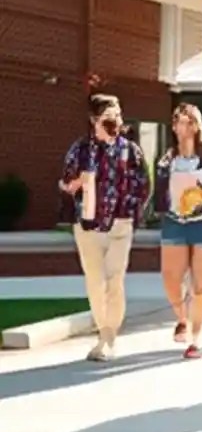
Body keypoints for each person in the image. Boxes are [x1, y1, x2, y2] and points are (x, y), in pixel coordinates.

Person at [58, 94, 151, 362]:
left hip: (120, 225)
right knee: (95, 283)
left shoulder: (130, 150)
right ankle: (102, 331)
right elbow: (65, 183)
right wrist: (74, 185)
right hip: (88, 225)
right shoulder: (80, 149)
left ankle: (109, 337)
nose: (115, 121)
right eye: (108, 116)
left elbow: (143, 185)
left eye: (118, 115)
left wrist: (130, 211)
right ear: (94, 120)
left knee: (114, 280)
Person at [153, 103, 202, 359]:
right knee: (170, 277)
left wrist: (199, 193)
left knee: (199, 284)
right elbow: (160, 193)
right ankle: (181, 317)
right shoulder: (168, 158)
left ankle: (196, 340)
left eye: (187, 121)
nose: (181, 127)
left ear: (197, 126)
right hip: (175, 221)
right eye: (177, 121)